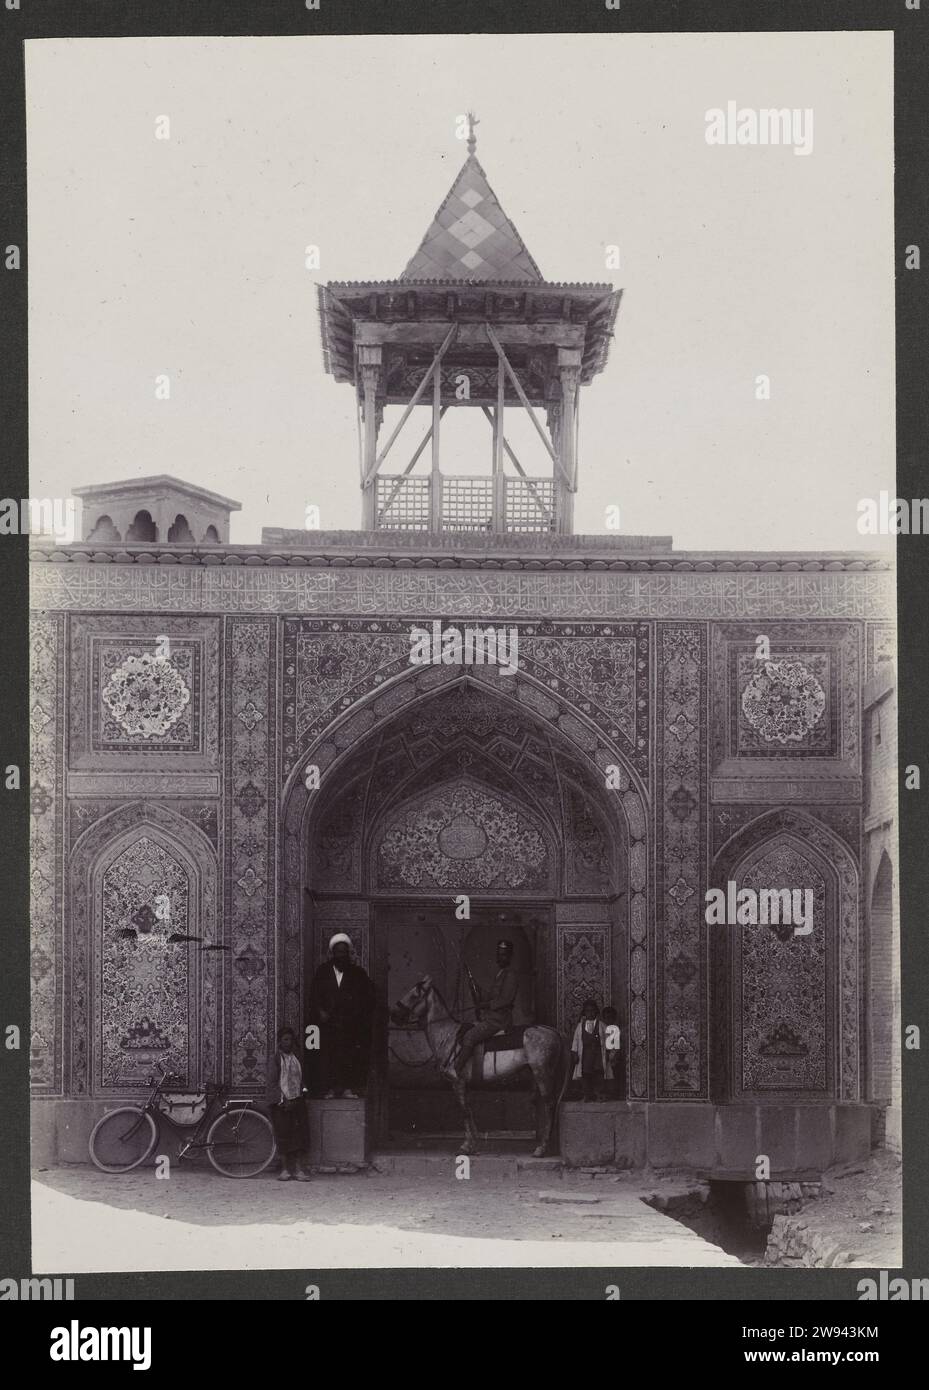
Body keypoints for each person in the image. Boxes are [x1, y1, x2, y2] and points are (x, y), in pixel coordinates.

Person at [307, 933, 375, 1098]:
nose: (341, 955)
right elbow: (314, 995)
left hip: (349, 1025)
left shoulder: (358, 973)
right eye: (338, 952)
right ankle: (329, 1089)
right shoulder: (322, 971)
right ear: (332, 953)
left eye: (344, 952)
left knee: (349, 1057)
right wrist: (320, 1011)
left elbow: (366, 998)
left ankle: (347, 1089)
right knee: (326, 1057)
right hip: (327, 1026)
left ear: (349, 953)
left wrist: (354, 1017)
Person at [451, 939, 519, 1080]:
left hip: (499, 1021)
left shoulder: (510, 974)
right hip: (492, 1018)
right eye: (499, 954)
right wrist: (477, 989)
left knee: (470, 1036)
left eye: (504, 955)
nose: (501, 957)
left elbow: (505, 999)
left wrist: (487, 1005)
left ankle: (456, 1070)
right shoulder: (501, 973)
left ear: (510, 957)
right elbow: (493, 996)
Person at [265, 1026, 311, 1181]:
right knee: (283, 1135)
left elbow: (301, 1079)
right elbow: (272, 1082)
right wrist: (283, 1100)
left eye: (290, 1039)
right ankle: (285, 1170)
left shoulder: (296, 1057)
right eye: (285, 1039)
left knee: (300, 1135)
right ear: (279, 1041)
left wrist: (303, 1090)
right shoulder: (276, 1059)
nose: (288, 1042)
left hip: (297, 1101)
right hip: (282, 1104)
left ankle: (299, 1170)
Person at [570, 999, 607, 1102]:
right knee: (585, 1074)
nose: (590, 1013)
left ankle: (599, 1094)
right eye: (587, 1011)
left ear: (596, 1012)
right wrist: (574, 1053)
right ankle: (586, 1095)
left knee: (598, 1073)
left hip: (598, 1053)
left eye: (592, 1011)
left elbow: (609, 1040)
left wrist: (611, 1054)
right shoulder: (580, 1026)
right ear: (584, 1013)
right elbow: (576, 1041)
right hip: (585, 1054)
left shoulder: (602, 1025)